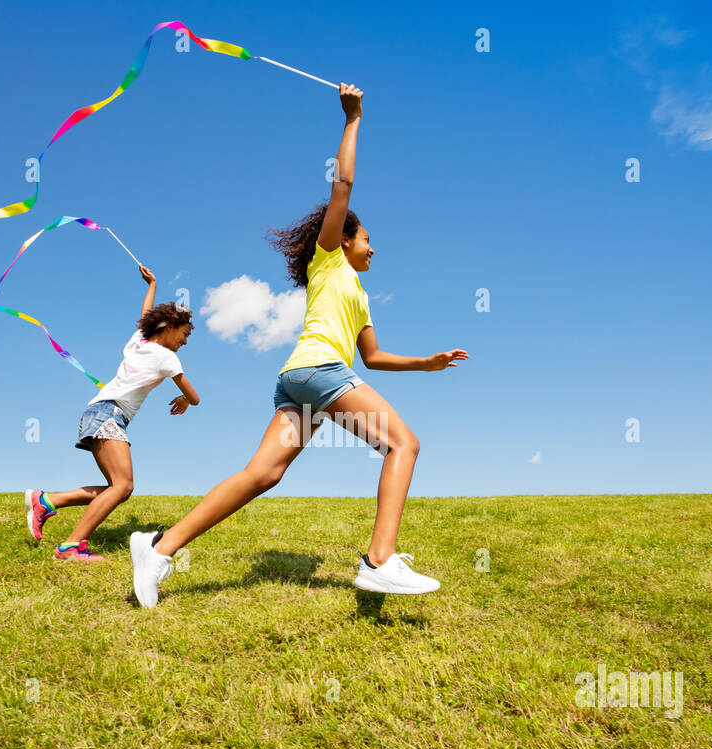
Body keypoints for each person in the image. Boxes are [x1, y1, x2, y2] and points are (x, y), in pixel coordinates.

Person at [130, 83, 466, 606]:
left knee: (262, 473)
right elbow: (345, 184)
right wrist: (352, 120)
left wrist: (427, 363)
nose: (373, 247)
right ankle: (380, 561)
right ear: (345, 240)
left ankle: (158, 548)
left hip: (299, 381)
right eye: (368, 239)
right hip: (320, 371)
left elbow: (373, 357)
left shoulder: (357, 293)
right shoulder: (327, 259)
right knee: (403, 444)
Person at [25, 265, 199, 561]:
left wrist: (152, 285)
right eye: (183, 335)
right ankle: (71, 546)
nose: (185, 341)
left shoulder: (139, 341)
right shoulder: (168, 358)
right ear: (168, 327)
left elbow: (146, 317)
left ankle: (47, 500)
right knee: (124, 485)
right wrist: (184, 398)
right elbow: (196, 397)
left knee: (117, 488)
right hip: (109, 414)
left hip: (99, 412)